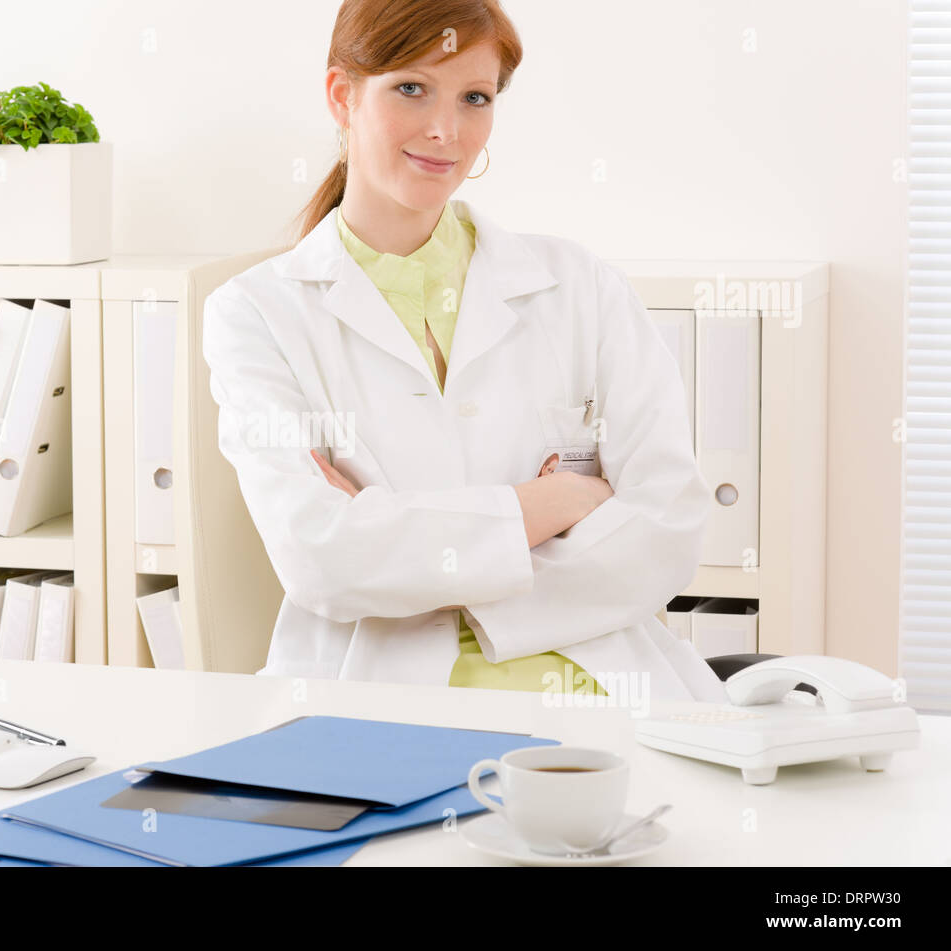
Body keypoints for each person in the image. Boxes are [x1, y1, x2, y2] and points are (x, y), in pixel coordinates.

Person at [201, 0, 726, 703]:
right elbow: (321, 559)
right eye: (411, 88)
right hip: (379, 702)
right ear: (342, 96)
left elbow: (667, 529)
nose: (446, 130)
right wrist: (562, 501)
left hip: (602, 690)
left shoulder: (579, 287)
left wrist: (408, 552)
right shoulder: (256, 312)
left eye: (474, 98)